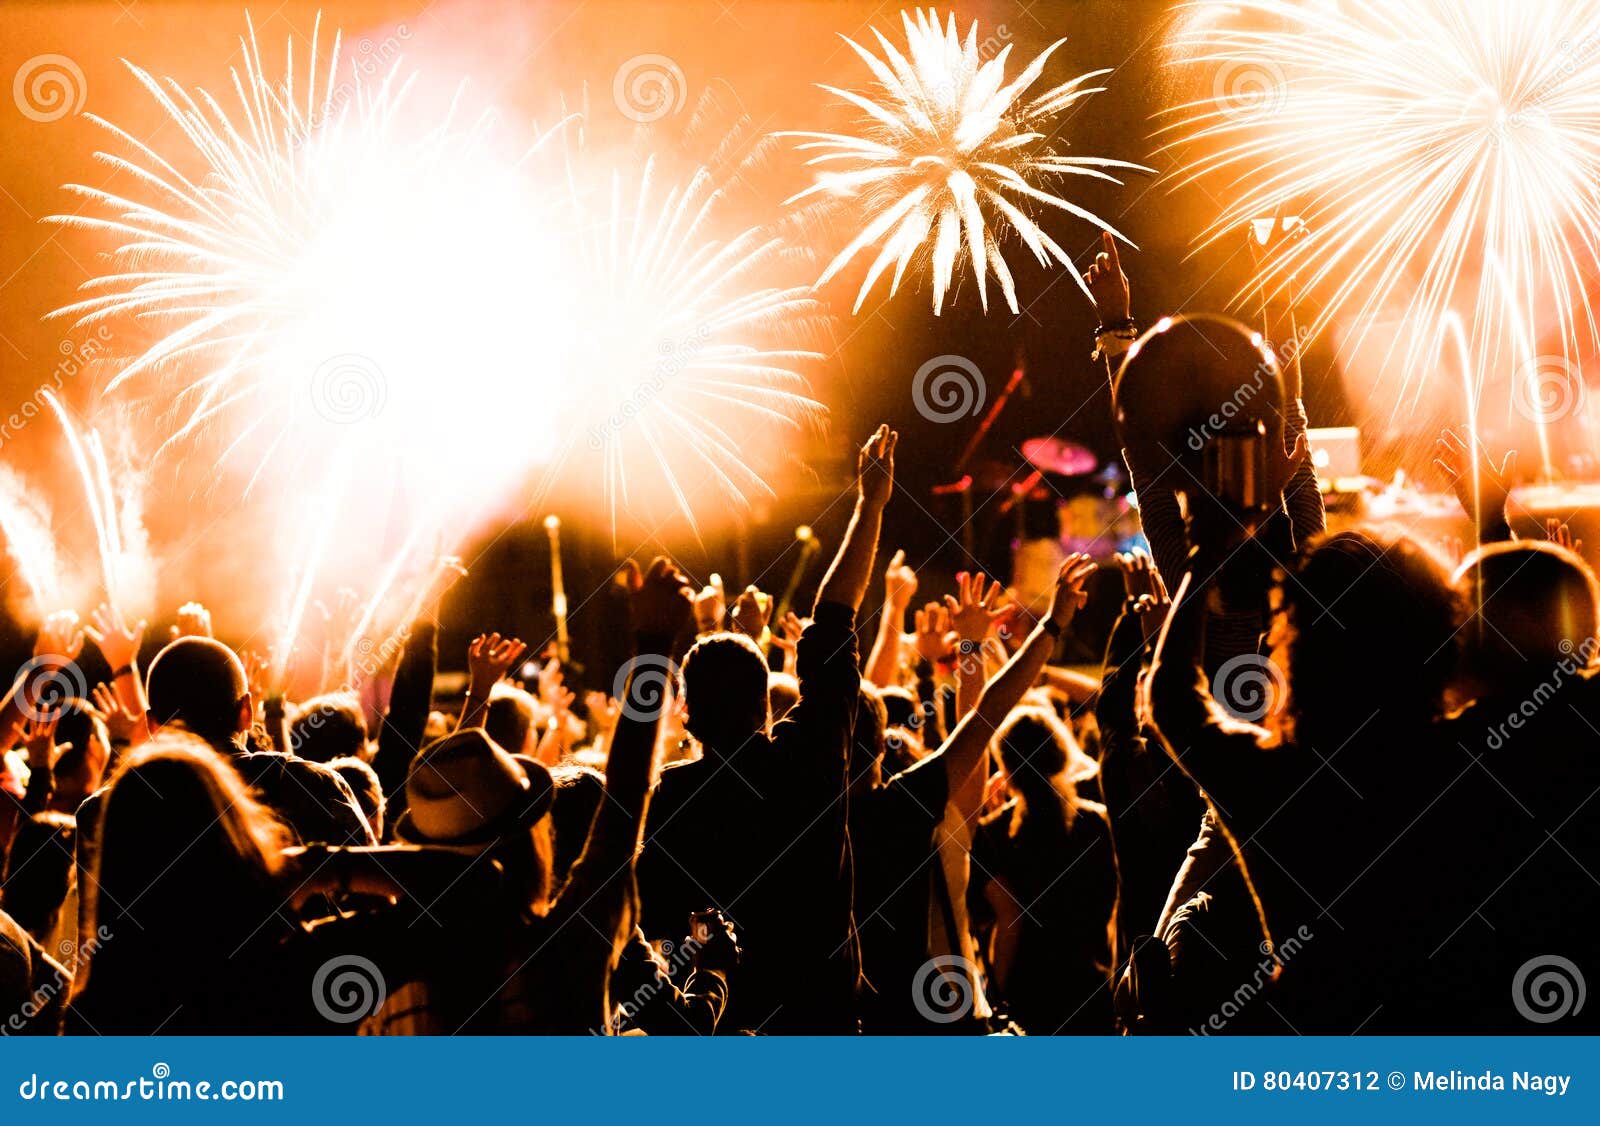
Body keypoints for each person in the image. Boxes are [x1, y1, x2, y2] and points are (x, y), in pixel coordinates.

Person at [638, 424, 898, 1034]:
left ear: (686, 713)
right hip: (823, 1027)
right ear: (765, 704)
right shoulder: (809, 759)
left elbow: (655, 922)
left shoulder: (670, 797)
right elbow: (835, 622)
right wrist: (870, 505)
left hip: (720, 1030)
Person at [851, 556, 1097, 1032]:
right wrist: (1033, 629)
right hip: (951, 1017)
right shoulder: (930, 814)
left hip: (863, 1025)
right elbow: (982, 719)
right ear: (879, 745)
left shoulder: (809, 817)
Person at [970, 706, 1117, 1034]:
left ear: (1006, 767)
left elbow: (1008, 924)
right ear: (1061, 753)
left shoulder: (992, 835)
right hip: (1089, 987)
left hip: (1029, 994)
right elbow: (1109, 909)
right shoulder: (1096, 823)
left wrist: (997, 995)